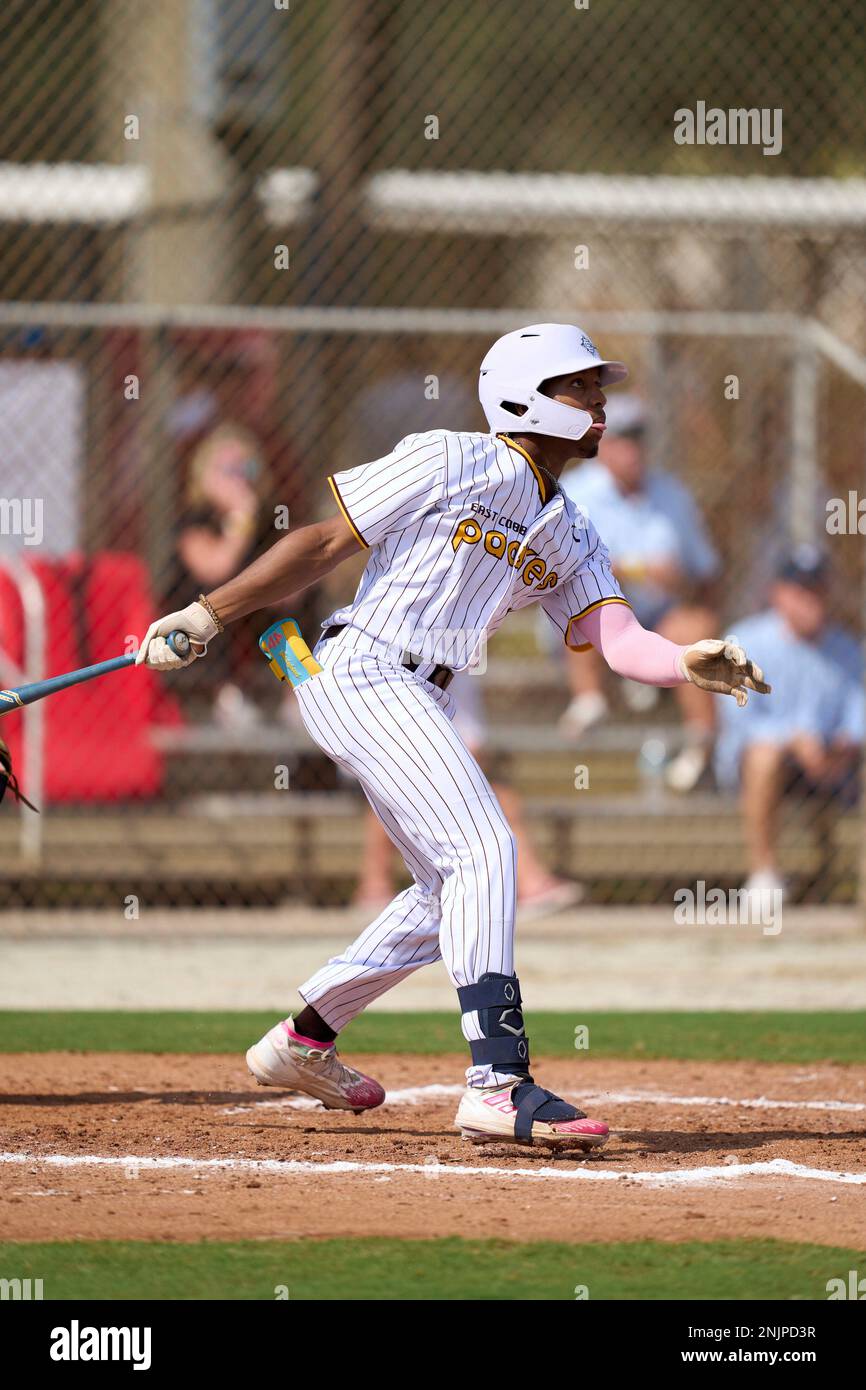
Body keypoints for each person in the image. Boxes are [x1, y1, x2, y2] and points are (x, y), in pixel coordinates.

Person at [137, 322, 769, 1151]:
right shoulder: (450, 456)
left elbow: (618, 641)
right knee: (486, 854)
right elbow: (325, 541)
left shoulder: (572, 529)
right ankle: (498, 1083)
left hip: (421, 695)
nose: (601, 401)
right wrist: (209, 613)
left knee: (449, 897)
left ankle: (304, 1040)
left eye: (596, 387)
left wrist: (685, 660)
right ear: (528, 396)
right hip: (361, 670)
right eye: (581, 387)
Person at [558, 394, 721, 792]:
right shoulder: (575, 491)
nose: (633, 450)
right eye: (623, 440)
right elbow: (568, 565)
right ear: (603, 446)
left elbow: (706, 572)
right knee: (586, 605)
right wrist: (643, 569)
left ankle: (702, 745)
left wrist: (676, 581)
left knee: (697, 624)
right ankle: (590, 699)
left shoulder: (672, 495)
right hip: (594, 617)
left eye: (639, 439)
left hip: (657, 617)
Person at [353, 670, 583, 917]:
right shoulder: (424, 657)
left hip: (414, 745)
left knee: (493, 794)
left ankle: (377, 888)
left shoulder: (449, 664)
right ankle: (528, 884)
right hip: (383, 742)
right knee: (488, 792)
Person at [715, 548, 862, 902]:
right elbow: (738, 723)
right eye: (800, 591)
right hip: (758, 768)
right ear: (777, 593)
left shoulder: (849, 649)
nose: (810, 601)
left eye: (816, 590)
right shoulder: (743, 641)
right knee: (764, 755)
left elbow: (859, 716)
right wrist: (794, 739)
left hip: (832, 765)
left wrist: (844, 747)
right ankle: (764, 876)